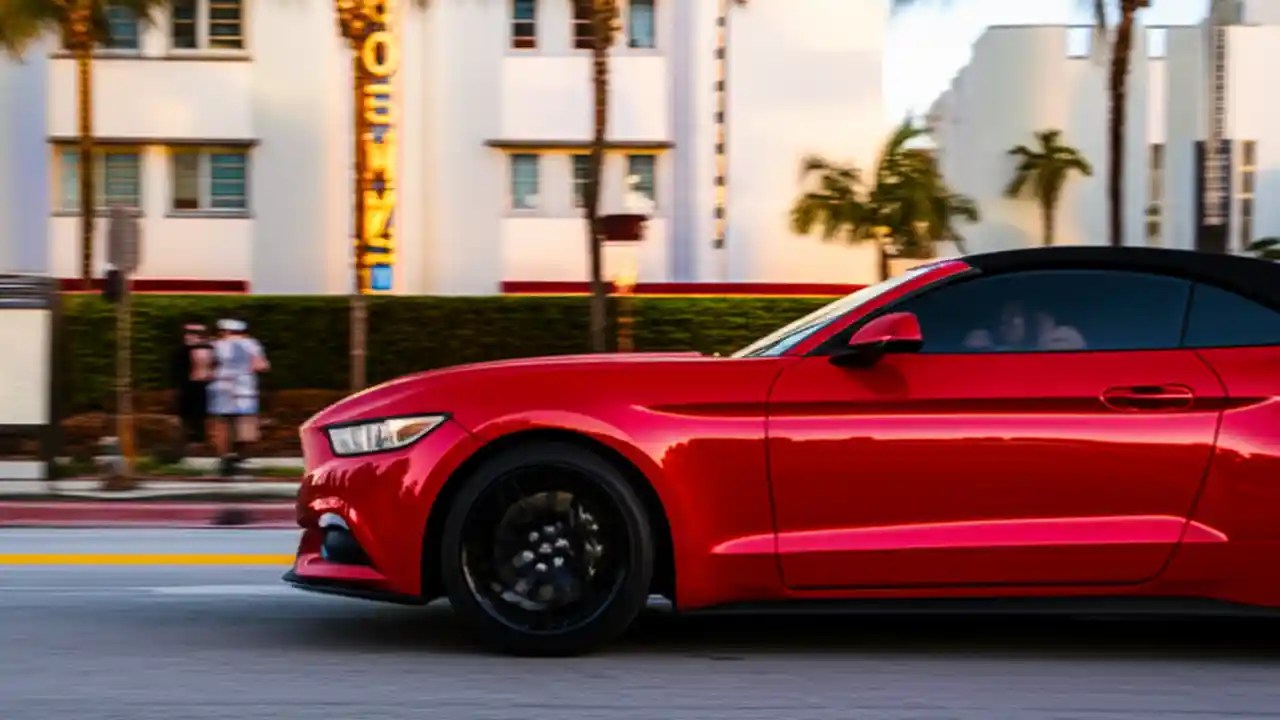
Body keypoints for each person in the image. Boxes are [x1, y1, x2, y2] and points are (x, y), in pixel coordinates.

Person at [208, 319, 270, 477]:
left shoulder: (215, 345)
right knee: (245, 422)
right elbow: (261, 365)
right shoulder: (252, 344)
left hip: (221, 386)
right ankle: (240, 457)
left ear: (224, 331)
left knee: (222, 422)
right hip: (244, 388)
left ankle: (224, 457)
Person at [170, 323, 215, 457]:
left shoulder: (209, 349)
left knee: (201, 414)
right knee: (187, 414)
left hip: (202, 386)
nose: (190, 337)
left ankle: (200, 438)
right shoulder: (182, 351)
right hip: (188, 387)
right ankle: (189, 439)